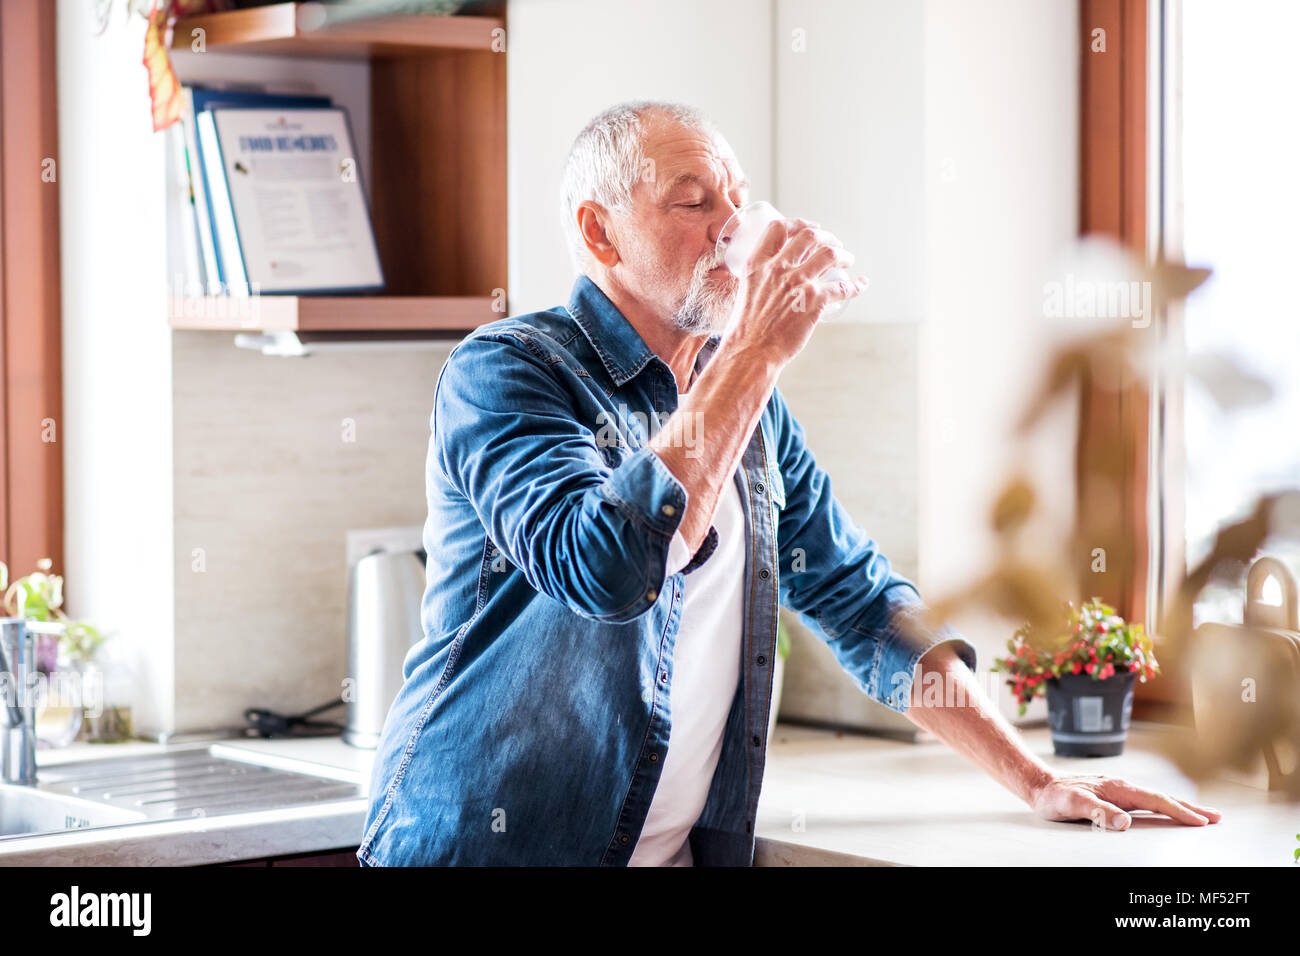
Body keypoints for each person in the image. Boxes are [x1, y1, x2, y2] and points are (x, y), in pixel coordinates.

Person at [356, 100, 1220, 867]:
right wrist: (759, 351)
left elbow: (862, 603)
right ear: (600, 233)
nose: (731, 227)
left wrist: (1035, 780)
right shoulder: (506, 371)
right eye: (694, 202)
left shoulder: (750, 408)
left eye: (735, 200)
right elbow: (607, 571)